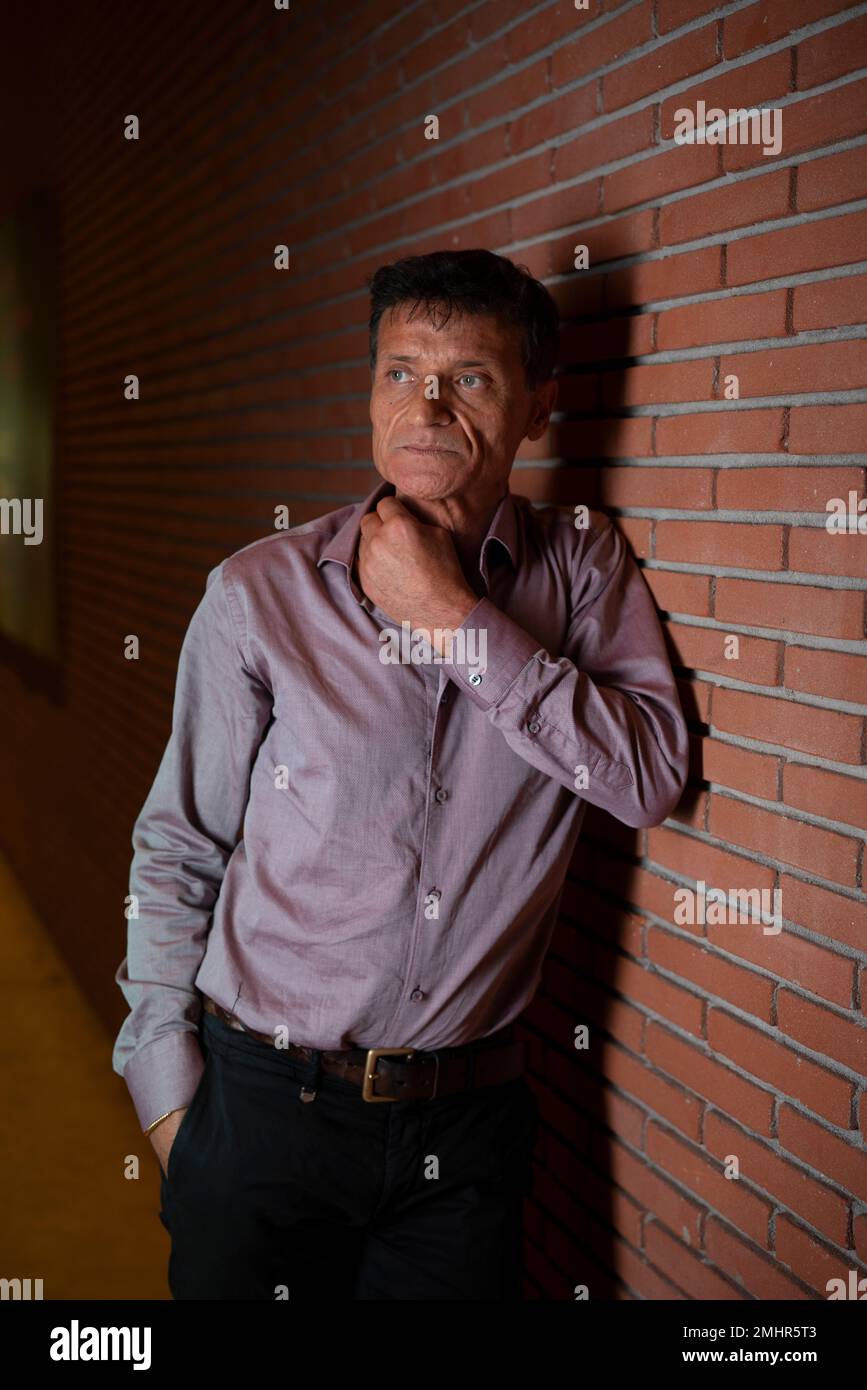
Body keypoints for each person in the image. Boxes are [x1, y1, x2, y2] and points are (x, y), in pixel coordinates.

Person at [112, 247, 689, 1300]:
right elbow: (180, 843)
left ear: (537, 407)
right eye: (398, 371)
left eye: (468, 376)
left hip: (463, 1136)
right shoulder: (259, 593)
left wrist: (453, 620)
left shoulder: (582, 567)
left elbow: (647, 776)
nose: (424, 403)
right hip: (257, 1108)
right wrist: (171, 1105)